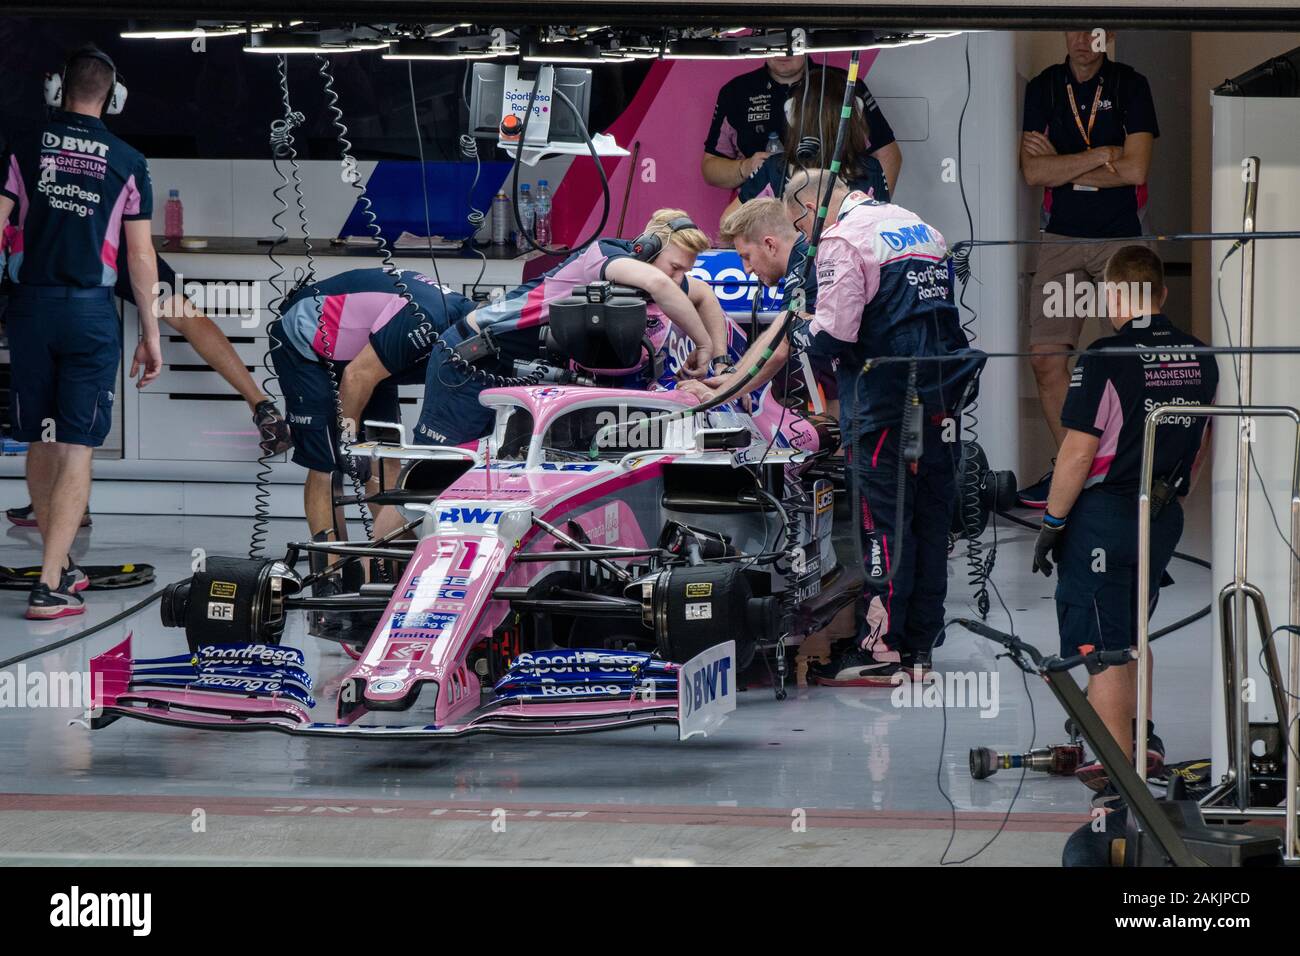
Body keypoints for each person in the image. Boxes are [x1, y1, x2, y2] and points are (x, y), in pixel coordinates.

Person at [682, 170, 982, 684]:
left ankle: (878, 650)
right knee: (931, 523)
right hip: (941, 399)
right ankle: (918, 649)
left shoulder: (843, 239)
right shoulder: (918, 225)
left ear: (805, 210)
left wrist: (790, 350)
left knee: (880, 524)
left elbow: (831, 336)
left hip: (884, 402)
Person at [1031, 246, 1216, 799]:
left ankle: (1118, 767)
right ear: (1160, 293)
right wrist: (1172, 498)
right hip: (1162, 515)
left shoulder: (1104, 357)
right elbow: (1202, 445)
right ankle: (1143, 740)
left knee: (1100, 641)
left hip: (1106, 515)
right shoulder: (1201, 355)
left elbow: (1077, 455)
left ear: (1112, 295)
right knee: (1134, 628)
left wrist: (1053, 523)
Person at [0, 45, 163, 619]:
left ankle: (59, 563)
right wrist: (150, 330)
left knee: (40, 437)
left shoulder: (21, 147)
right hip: (91, 314)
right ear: (113, 97)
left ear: (56, 88)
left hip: (29, 311)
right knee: (76, 445)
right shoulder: (128, 160)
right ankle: (50, 584)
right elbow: (140, 258)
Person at [4, 249, 292, 529]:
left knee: (54, 383)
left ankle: (63, 503)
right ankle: (262, 406)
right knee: (184, 314)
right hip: (107, 240)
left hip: (47, 266)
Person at [414, 209, 726, 448]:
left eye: (685, 270)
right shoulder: (605, 256)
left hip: (515, 372)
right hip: (469, 358)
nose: (678, 278)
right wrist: (703, 345)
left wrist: (720, 360)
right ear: (647, 249)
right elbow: (658, 283)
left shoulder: (667, 279)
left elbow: (704, 295)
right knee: (438, 477)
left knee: (489, 476)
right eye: (675, 267)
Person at [1019, 30, 1159, 507]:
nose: (1084, 39)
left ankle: (1128, 474)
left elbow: (1137, 169)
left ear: (1110, 35)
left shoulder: (1129, 84)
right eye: (1075, 27)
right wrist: (1102, 155)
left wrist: (1065, 163)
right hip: (1060, 236)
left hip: (1121, 237)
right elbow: (1035, 173)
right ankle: (1078, 475)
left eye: (1094, 30)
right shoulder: (1044, 86)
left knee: (1131, 359)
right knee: (1046, 358)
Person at [269, 267, 475, 547]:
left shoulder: (472, 335)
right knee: (329, 462)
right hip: (306, 338)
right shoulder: (426, 322)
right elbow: (356, 377)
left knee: (384, 455)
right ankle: (330, 572)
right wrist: (348, 438)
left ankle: (390, 562)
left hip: (367, 352)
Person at [702, 55, 900, 202]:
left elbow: (888, 154)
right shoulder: (736, 92)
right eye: (776, 40)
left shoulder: (842, 84)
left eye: (792, 39)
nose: (784, 51)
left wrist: (870, 217)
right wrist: (745, 168)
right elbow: (710, 167)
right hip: (763, 220)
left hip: (838, 210)